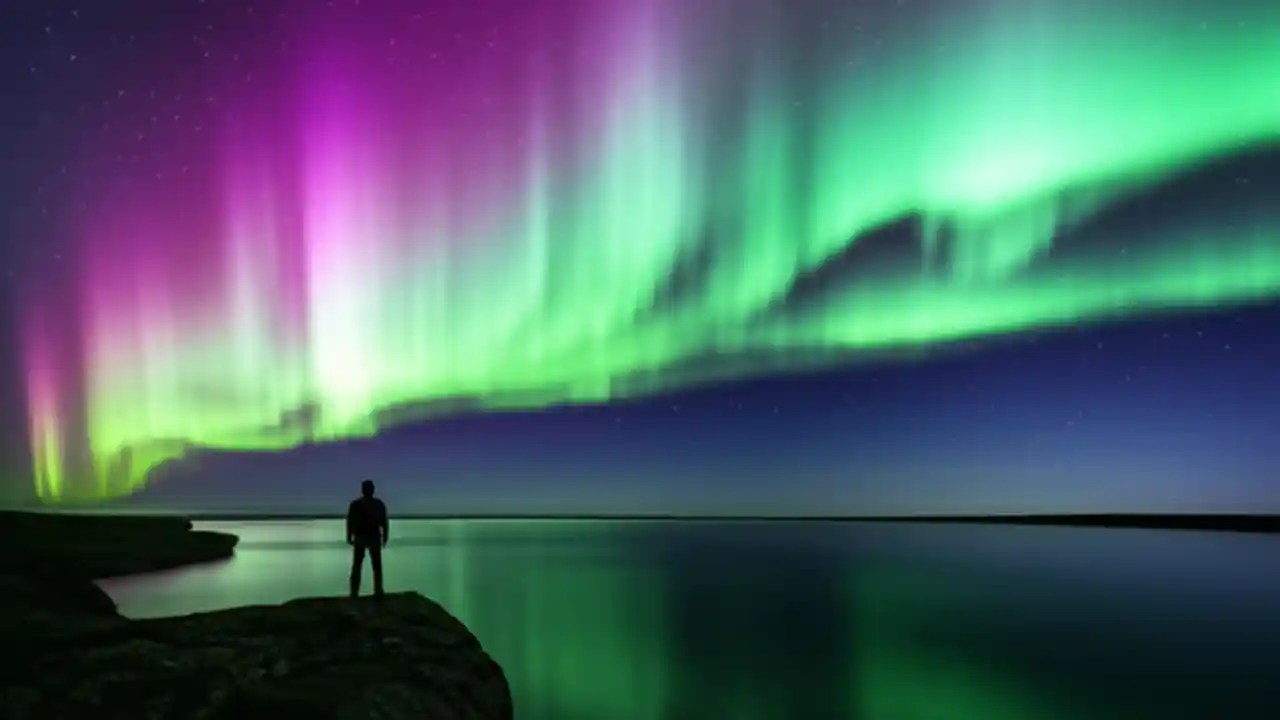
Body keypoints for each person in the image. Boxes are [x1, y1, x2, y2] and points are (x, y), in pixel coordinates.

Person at [347, 479, 388, 597]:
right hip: (364, 537)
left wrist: (385, 536)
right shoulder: (357, 505)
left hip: (370, 537)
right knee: (361, 565)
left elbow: (384, 522)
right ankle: (356, 591)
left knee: (372, 565)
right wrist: (349, 535)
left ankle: (376, 590)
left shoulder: (377, 504)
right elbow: (350, 521)